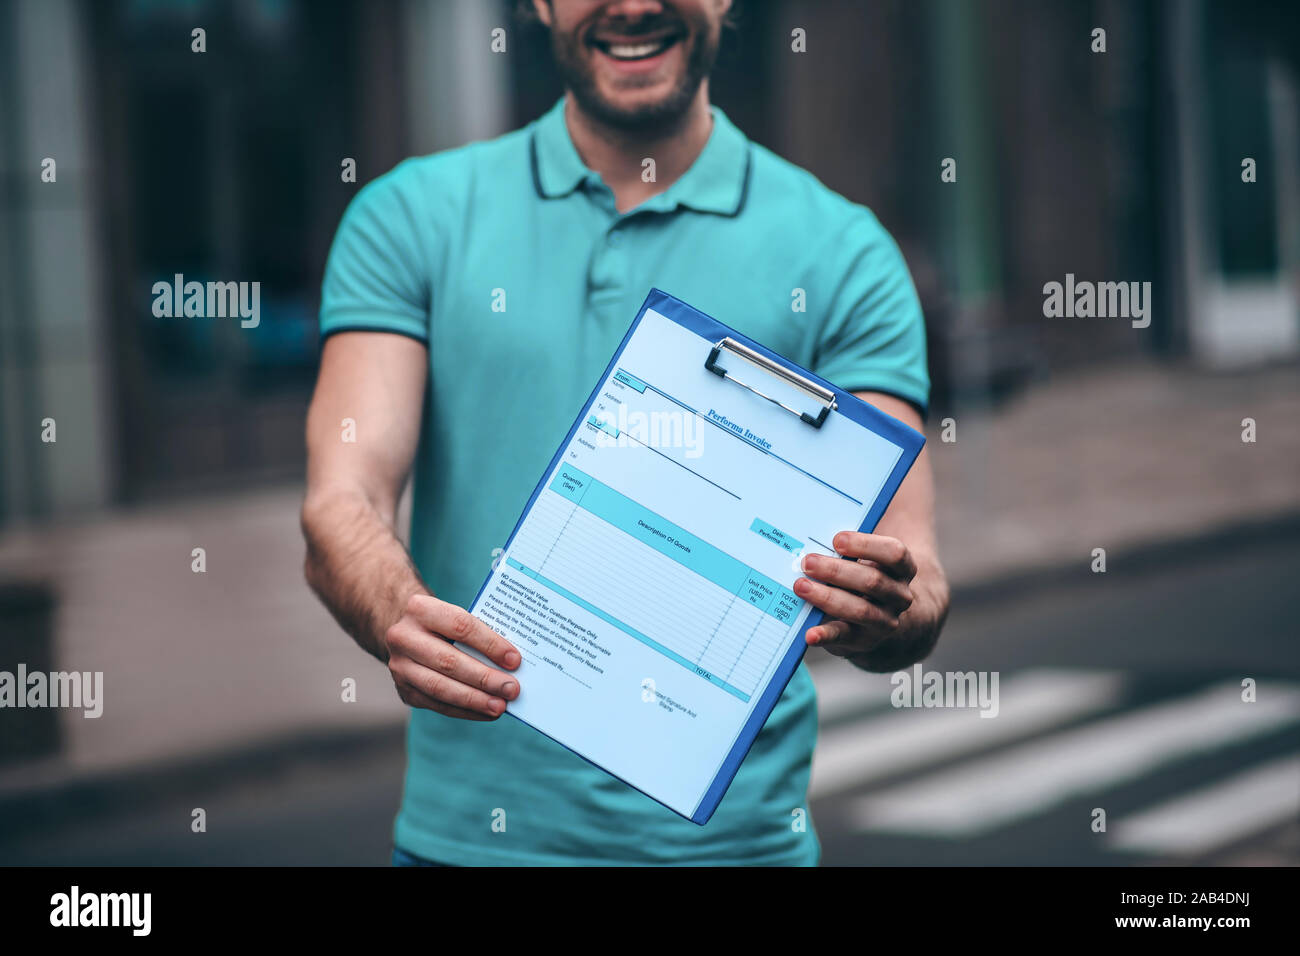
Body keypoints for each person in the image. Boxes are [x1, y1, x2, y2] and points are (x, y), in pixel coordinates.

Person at [301, 0, 949, 866]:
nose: (635, 4)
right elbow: (343, 500)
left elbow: (917, 564)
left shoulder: (843, 254)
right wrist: (397, 614)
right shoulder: (411, 216)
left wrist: (887, 609)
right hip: (470, 851)